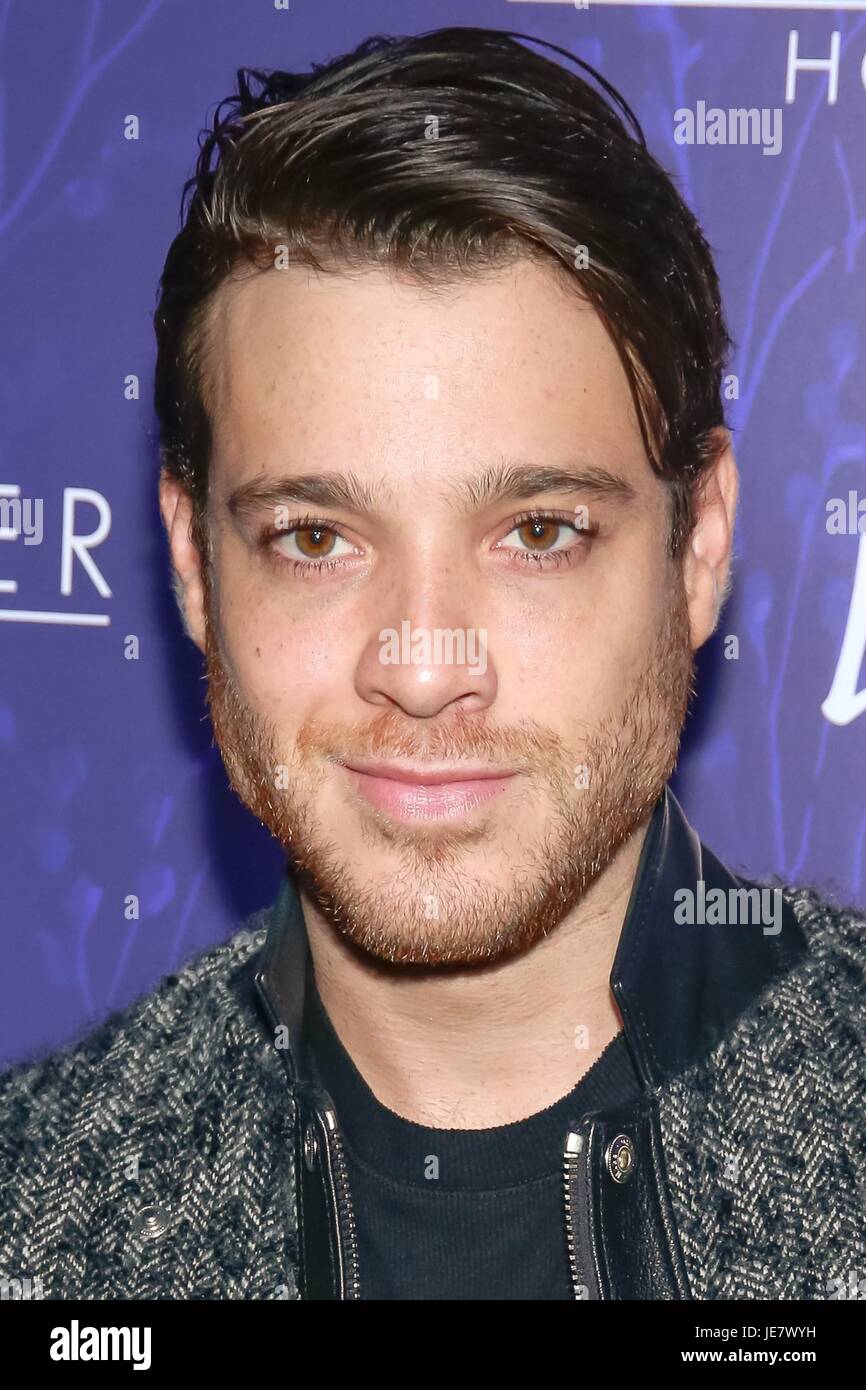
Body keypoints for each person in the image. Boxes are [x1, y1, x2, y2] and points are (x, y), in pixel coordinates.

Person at [1, 26, 864, 1302]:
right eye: (313, 537)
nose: (419, 665)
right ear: (190, 562)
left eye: (535, 533)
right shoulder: (40, 1222)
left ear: (699, 548)